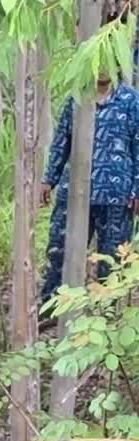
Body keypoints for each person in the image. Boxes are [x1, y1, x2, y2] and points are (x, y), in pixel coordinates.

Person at [39, 70, 139, 307]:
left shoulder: (131, 101)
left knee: (113, 259)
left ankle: (108, 313)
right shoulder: (77, 98)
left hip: (115, 196)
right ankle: (53, 308)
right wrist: (48, 179)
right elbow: (61, 141)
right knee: (59, 251)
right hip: (73, 193)